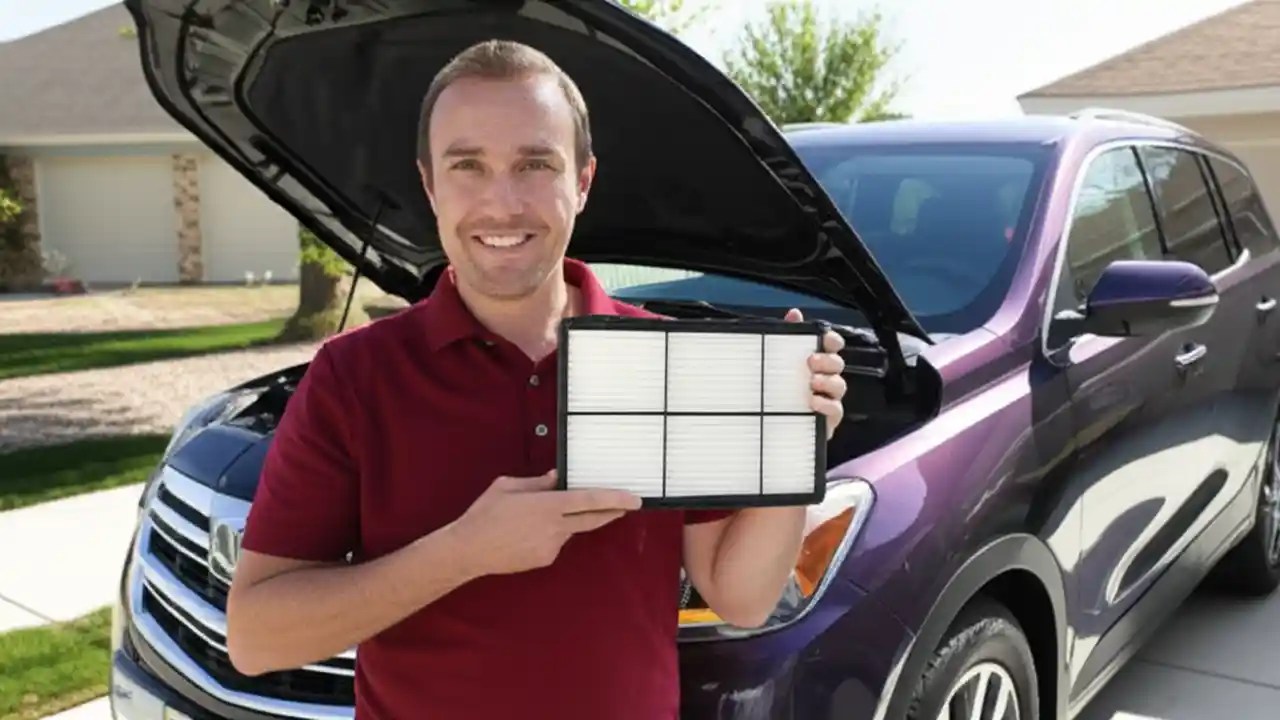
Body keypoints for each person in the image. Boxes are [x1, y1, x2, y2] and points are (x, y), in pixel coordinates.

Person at [225, 39, 848, 720]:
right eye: (468, 165)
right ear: (430, 183)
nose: (502, 202)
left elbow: (742, 597)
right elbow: (255, 639)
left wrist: (794, 441)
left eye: (534, 164)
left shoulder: (664, 358)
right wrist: (463, 552)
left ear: (581, 182)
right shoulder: (353, 378)